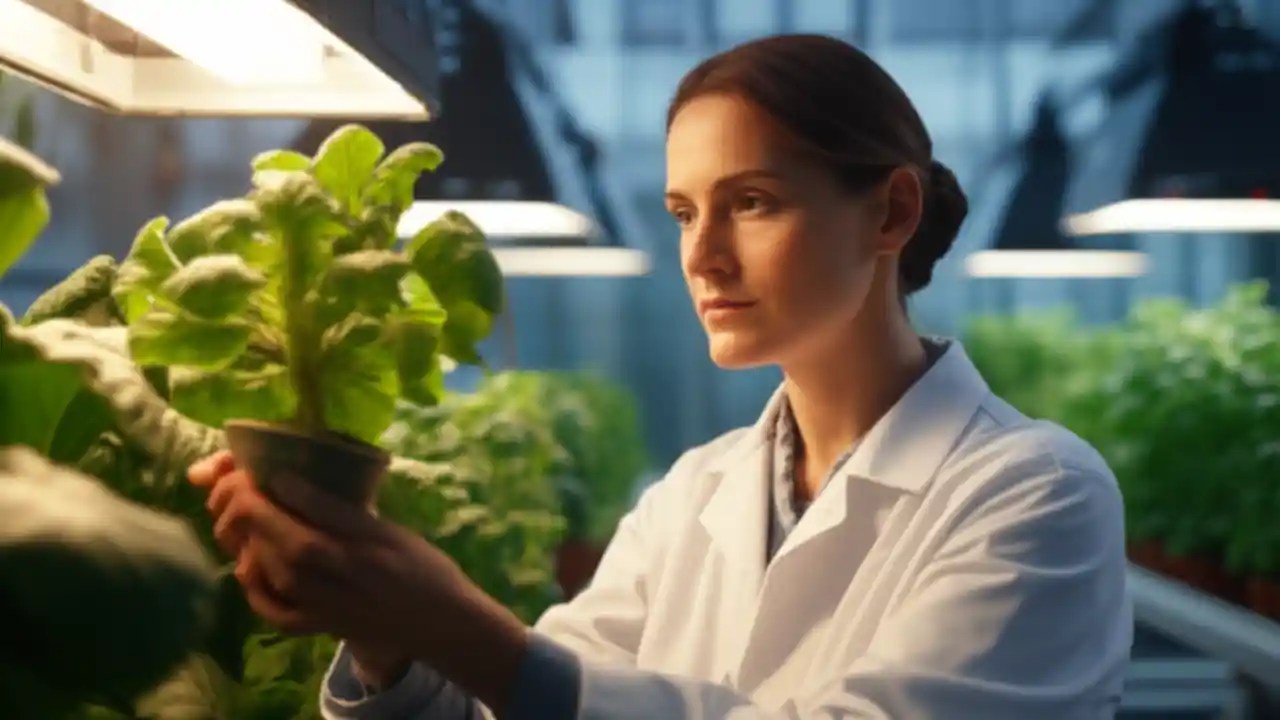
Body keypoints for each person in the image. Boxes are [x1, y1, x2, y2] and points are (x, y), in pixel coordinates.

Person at [189, 33, 1133, 719]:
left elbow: (532, 679)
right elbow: (526, 703)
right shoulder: (692, 496)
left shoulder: (1037, 492)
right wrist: (389, 635)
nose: (704, 256)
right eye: (685, 212)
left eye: (751, 203)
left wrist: (461, 623)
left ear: (891, 214)